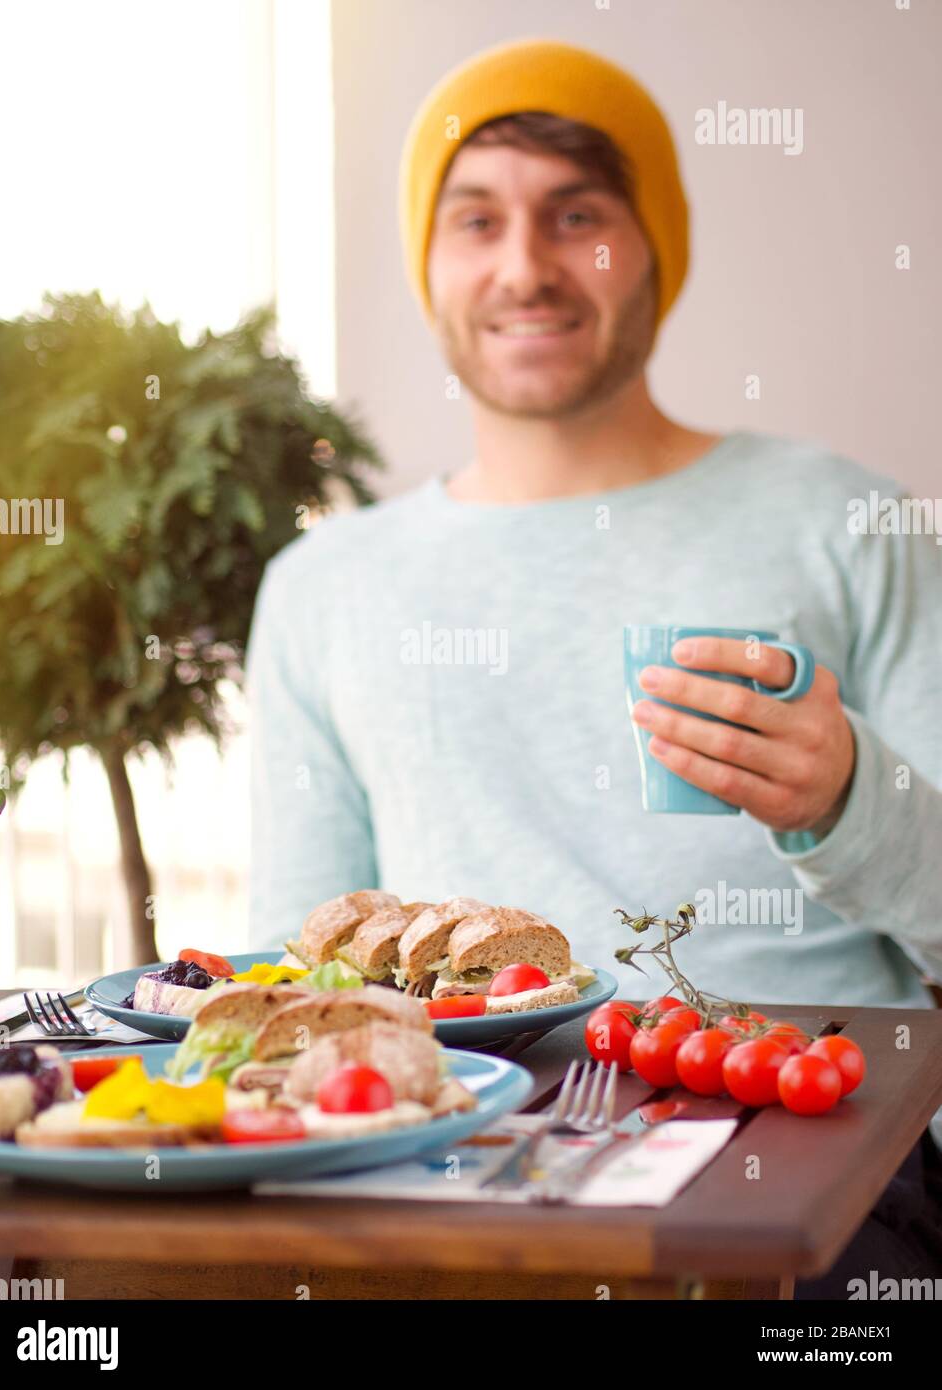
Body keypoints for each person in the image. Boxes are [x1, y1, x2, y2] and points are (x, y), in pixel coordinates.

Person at [247, 39, 942, 1292]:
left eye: (578, 216)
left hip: (810, 1162)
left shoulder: (850, 522)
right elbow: (302, 979)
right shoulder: (322, 589)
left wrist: (850, 801)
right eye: (478, 218)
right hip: (461, 1173)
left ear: (654, 246)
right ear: (430, 263)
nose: (526, 266)